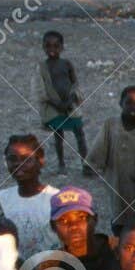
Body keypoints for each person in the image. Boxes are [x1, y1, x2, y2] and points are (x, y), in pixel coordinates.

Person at [0, 134, 58, 261]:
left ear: (40, 160)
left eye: (26, 159)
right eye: (12, 159)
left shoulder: (57, 200)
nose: (18, 164)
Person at [85, 86, 135, 231]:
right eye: (129, 102)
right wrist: (91, 164)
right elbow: (99, 149)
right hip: (115, 181)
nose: (133, 107)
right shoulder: (110, 125)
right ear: (120, 103)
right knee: (118, 216)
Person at [35, 33, 86, 171]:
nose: (52, 49)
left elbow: (75, 83)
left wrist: (70, 100)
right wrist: (57, 104)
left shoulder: (67, 63)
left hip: (70, 105)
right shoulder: (42, 67)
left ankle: (85, 163)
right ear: (43, 47)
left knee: (79, 132)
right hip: (54, 107)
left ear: (62, 47)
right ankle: (61, 164)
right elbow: (42, 89)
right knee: (58, 136)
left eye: (56, 46)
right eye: (48, 46)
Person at [48, 186, 119, 270]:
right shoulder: (51, 267)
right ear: (53, 227)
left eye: (81, 217)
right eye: (63, 220)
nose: (73, 226)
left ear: (95, 219)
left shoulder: (119, 249)